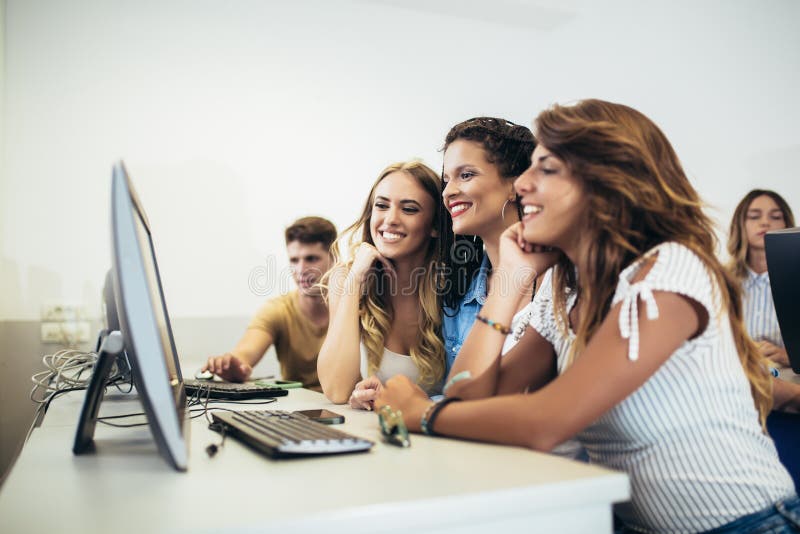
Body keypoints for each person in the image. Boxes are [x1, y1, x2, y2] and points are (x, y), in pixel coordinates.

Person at [377, 99, 799, 532]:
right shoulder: (563, 288)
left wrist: (420, 413)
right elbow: (469, 397)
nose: (523, 185)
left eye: (546, 169)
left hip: (751, 524)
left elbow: (549, 420)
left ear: (604, 184)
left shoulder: (670, 268)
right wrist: (511, 279)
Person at [317, 160, 446, 409]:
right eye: (381, 206)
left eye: (409, 209)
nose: (390, 219)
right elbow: (336, 390)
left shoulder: (455, 287)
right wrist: (355, 282)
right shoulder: (345, 279)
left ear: (434, 226)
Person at [440, 117, 538, 378]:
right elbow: (455, 394)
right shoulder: (459, 297)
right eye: (446, 179)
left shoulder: (561, 283)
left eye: (466, 175)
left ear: (516, 186)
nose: (448, 192)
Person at [202, 216, 337, 392]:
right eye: (294, 260)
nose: (301, 270)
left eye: (311, 259)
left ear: (333, 257)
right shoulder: (278, 310)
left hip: (350, 406)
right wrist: (232, 366)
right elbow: (244, 355)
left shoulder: (355, 305)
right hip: (300, 410)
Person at [727, 189, 795, 367]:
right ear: (740, 224)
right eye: (754, 216)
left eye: (776, 217)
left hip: (790, 380)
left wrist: (788, 356)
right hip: (736, 379)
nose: (765, 222)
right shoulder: (721, 281)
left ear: (787, 225)